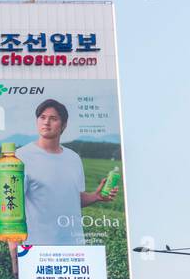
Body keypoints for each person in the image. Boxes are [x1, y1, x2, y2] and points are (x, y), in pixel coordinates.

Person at [7, 99, 118, 262]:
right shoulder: (20, 157)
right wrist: (15, 258)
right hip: (37, 250)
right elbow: (12, 212)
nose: (46, 122)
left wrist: (96, 196)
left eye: (53, 118)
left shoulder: (73, 158)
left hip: (74, 249)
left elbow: (73, 199)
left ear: (64, 125)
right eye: (42, 117)